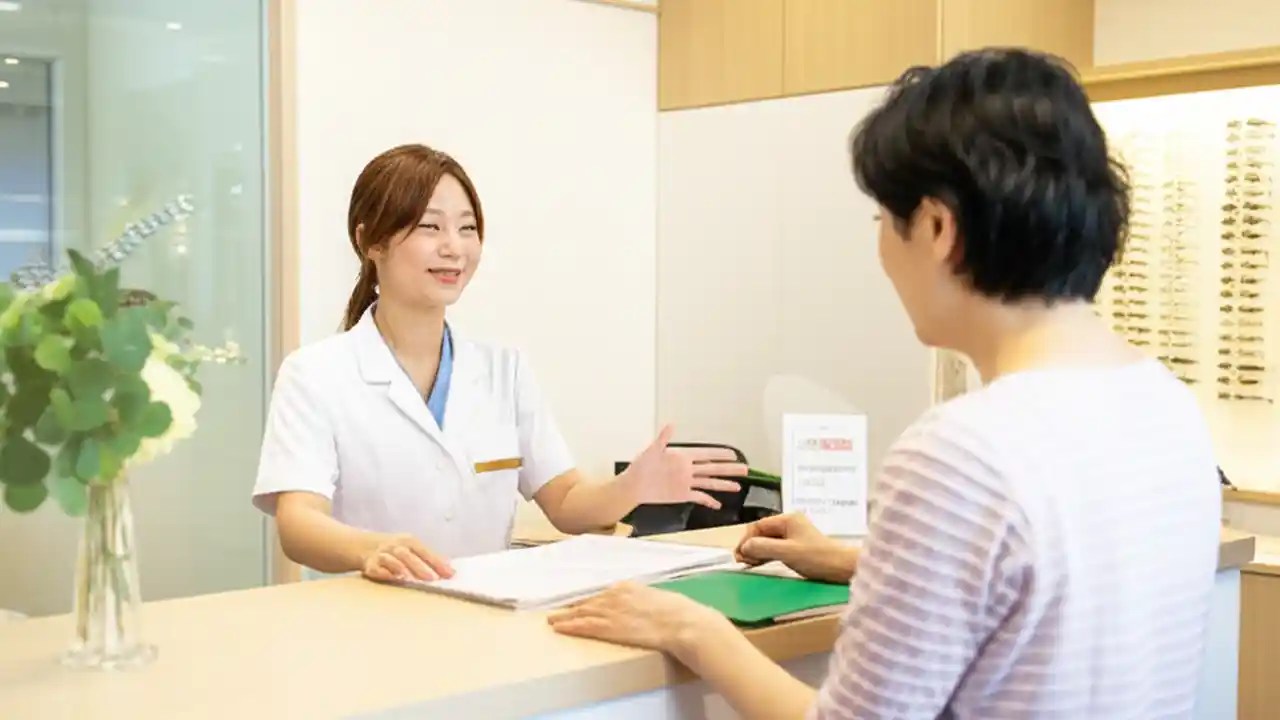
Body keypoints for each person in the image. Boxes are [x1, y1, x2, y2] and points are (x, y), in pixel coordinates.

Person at [549, 48, 1222, 719]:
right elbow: (1048, 597)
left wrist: (692, 629)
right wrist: (857, 562)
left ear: (937, 227)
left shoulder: (963, 451)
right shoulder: (1164, 405)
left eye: (882, 221)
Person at [252, 144, 746, 583]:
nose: (454, 247)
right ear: (370, 242)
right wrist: (370, 549)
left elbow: (566, 503)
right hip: (362, 620)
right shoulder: (315, 374)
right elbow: (299, 525)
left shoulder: (503, 370)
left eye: (467, 228)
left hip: (482, 617)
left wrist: (631, 487)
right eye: (429, 226)